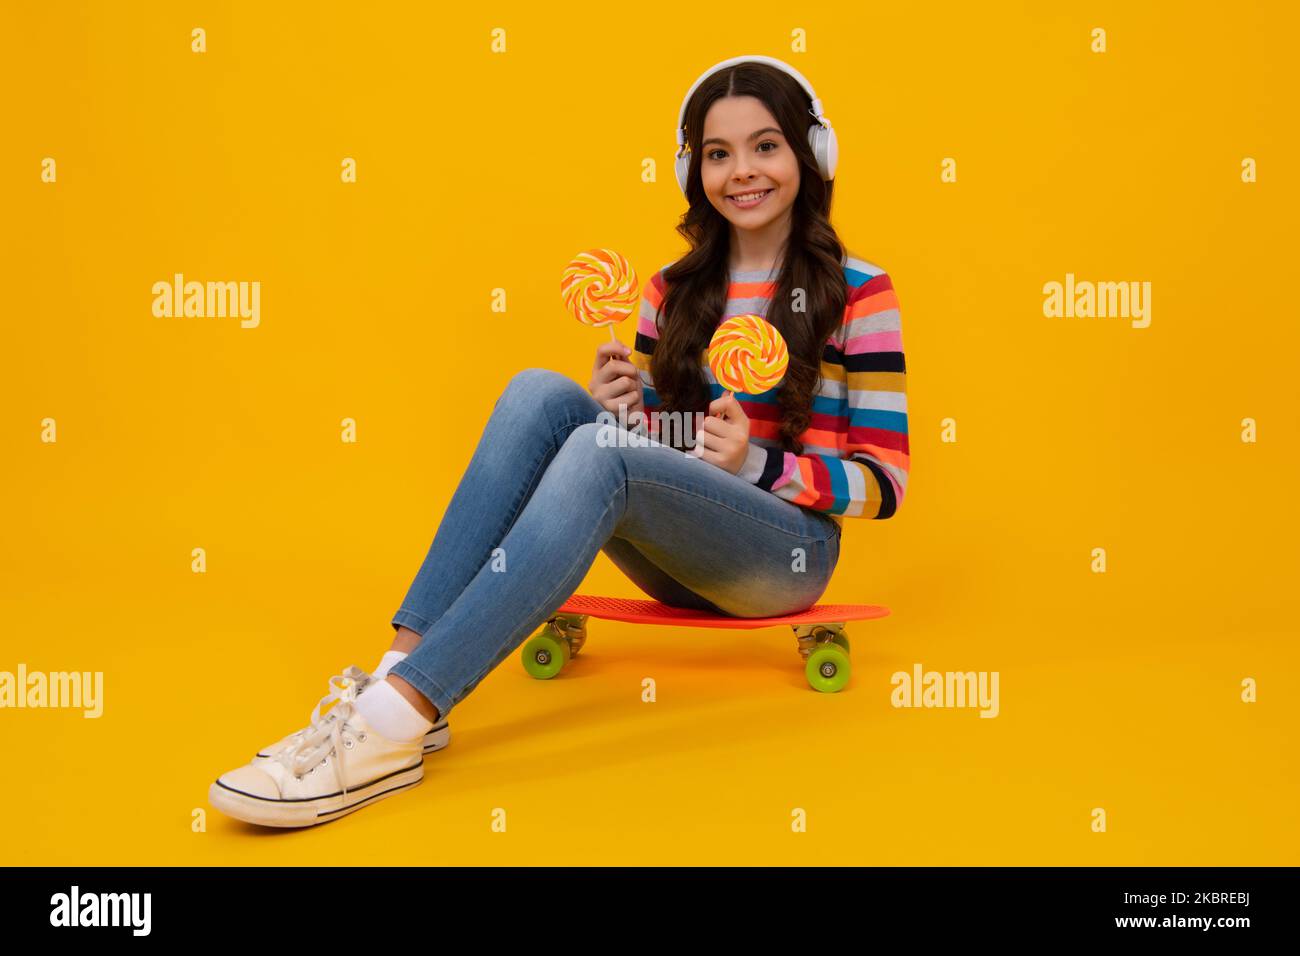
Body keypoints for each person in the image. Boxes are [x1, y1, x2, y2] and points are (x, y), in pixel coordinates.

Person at [208, 55, 911, 828]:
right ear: (692, 169)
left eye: (766, 145)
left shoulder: (859, 292)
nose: (742, 171)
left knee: (603, 449)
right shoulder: (670, 293)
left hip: (784, 558)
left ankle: (390, 725)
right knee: (541, 393)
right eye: (718, 153)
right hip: (680, 556)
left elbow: (884, 484)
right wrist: (630, 415)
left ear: (811, 156)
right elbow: (662, 462)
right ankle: (400, 673)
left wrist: (757, 462)